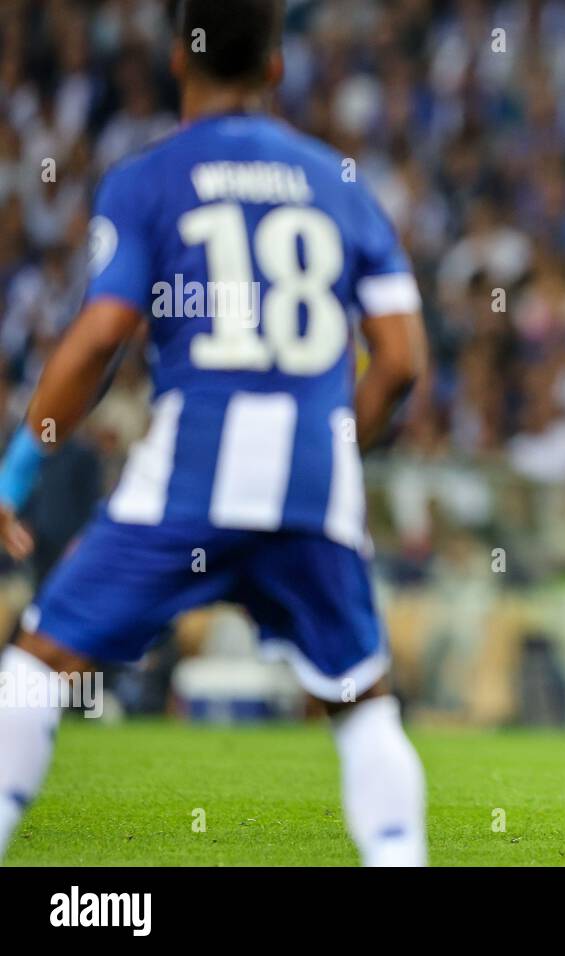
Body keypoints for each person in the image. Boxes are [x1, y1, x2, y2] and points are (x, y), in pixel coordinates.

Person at [0, 0, 429, 866]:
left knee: (39, 668)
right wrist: (336, 451)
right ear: (276, 67)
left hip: (193, 472)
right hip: (311, 480)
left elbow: (100, 339)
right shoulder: (338, 182)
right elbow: (403, 361)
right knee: (362, 702)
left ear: (175, 59)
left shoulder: (148, 177)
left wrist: (17, 471)